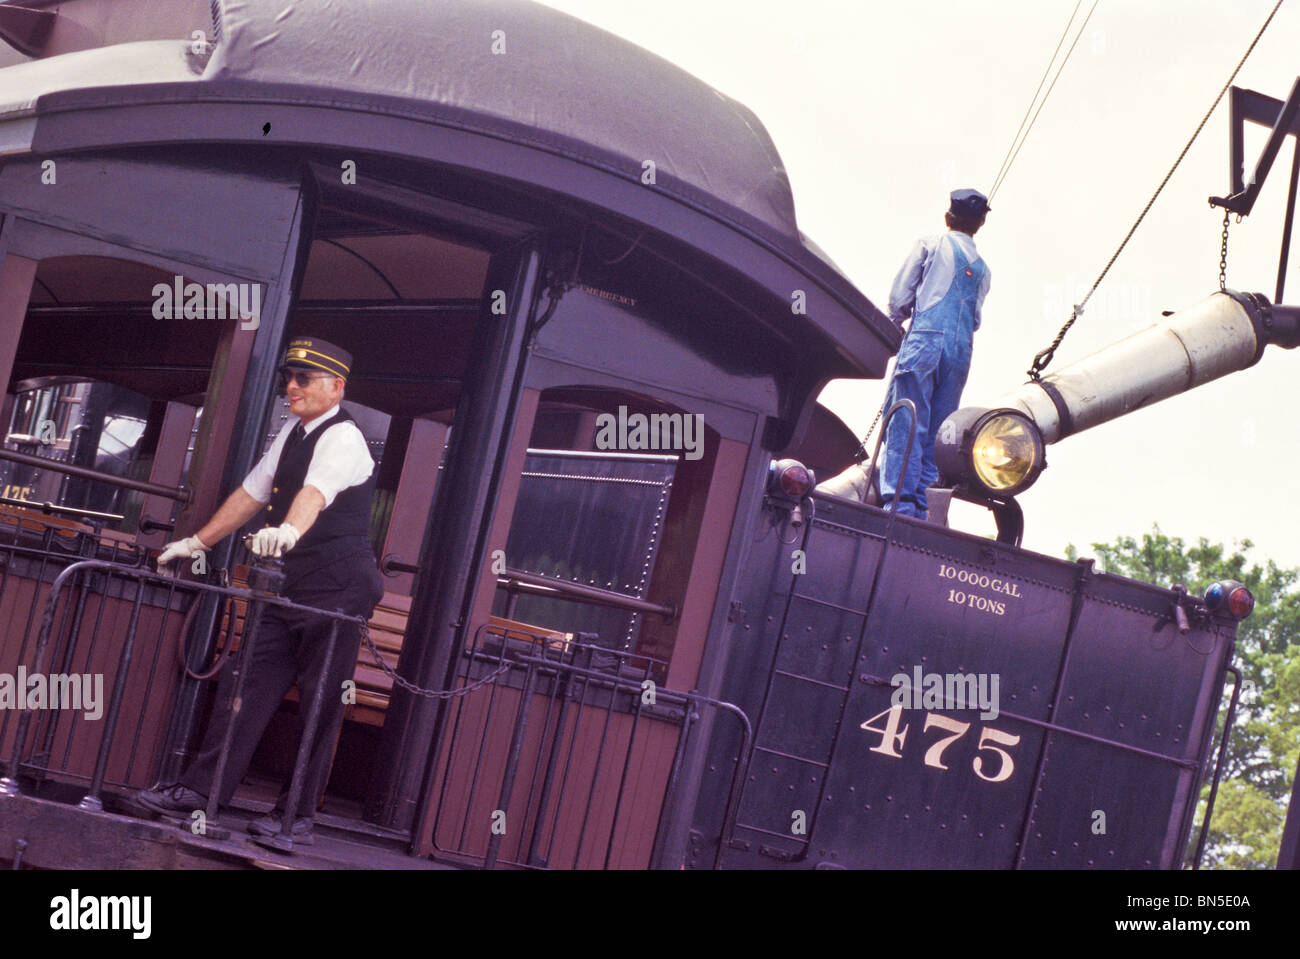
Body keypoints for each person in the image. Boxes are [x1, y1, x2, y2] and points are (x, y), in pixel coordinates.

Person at [136, 336, 383, 845]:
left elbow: (317, 491)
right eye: (288, 378)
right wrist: (194, 542)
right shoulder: (293, 432)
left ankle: (295, 818)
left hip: (337, 588)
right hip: (288, 584)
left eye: (303, 379)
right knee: (244, 687)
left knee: (319, 702)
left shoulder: (344, 439)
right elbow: (252, 493)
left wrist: (290, 531)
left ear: (337, 387)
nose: (290, 387)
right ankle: (201, 794)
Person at [879, 188, 991, 518]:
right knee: (940, 431)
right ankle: (924, 507)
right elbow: (975, 319)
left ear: (948, 217)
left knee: (907, 419)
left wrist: (892, 325)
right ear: (981, 223)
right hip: (960, 354)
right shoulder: (984, 270)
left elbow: (901, 297)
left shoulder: (930, 244)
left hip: (925, 341)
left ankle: (899, 504)